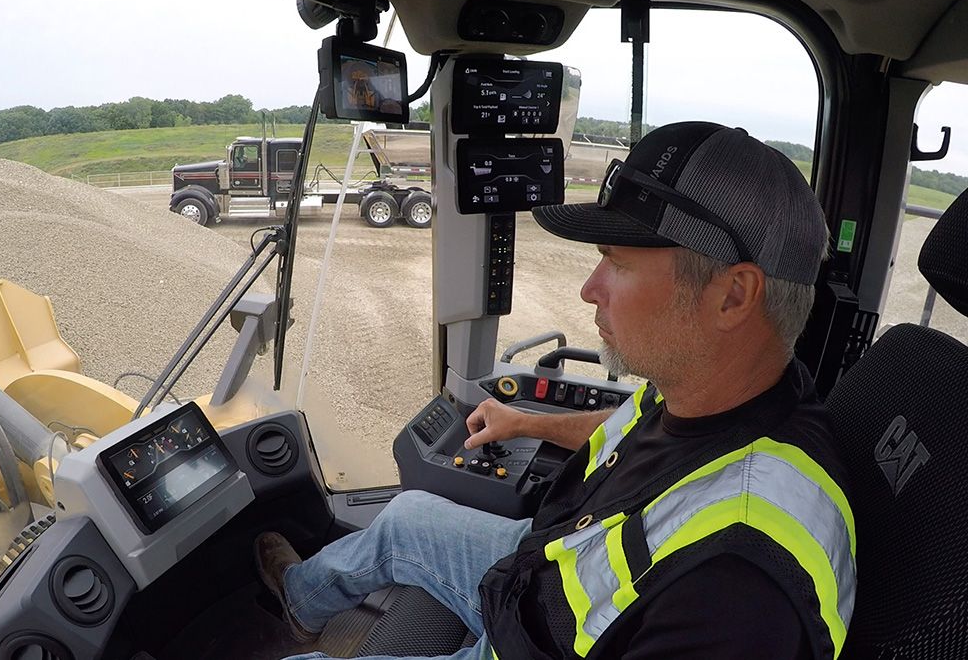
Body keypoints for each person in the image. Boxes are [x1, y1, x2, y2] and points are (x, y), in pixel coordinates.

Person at [255, 122, 856, 659]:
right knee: (407, 515)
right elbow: (629, 433)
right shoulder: (715, 390)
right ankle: (303, 602)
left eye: (617, 262)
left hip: (536, 639)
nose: (589, 289)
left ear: (732, 295)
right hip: (547, 575)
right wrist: (527, 422)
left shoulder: (735, 588)